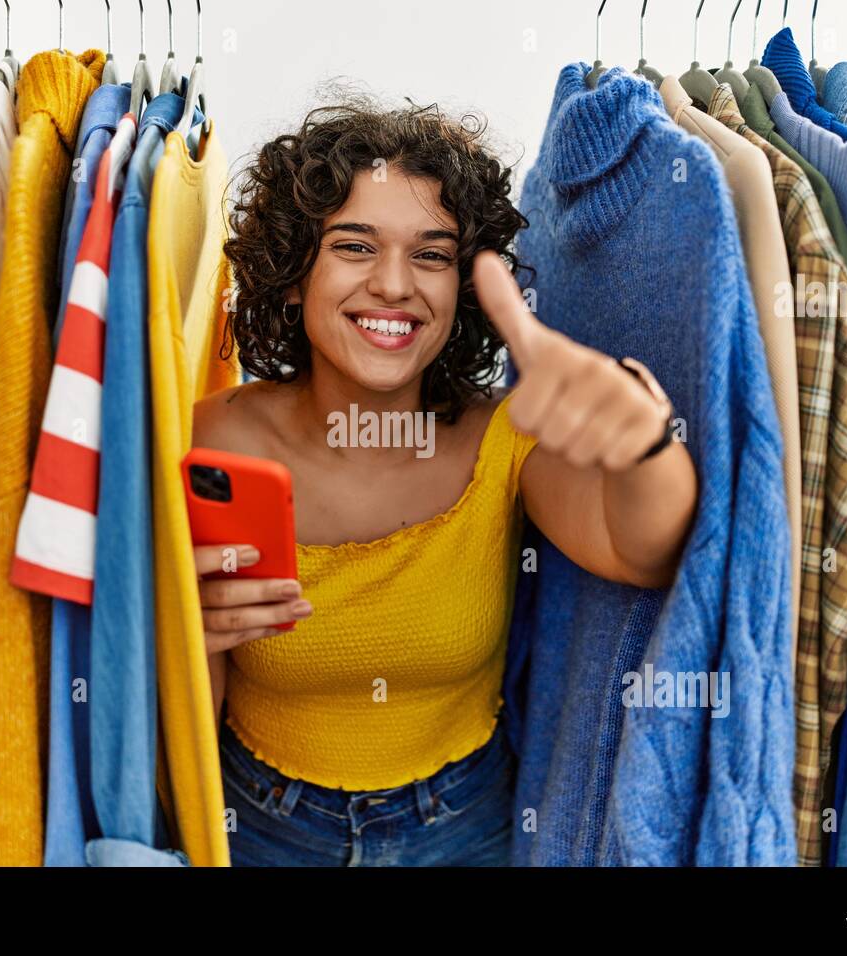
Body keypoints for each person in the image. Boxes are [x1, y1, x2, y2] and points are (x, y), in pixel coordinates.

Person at [191, 95, 699, 866]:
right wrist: (184, 636)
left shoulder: (503, 435)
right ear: (293, 274)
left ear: (461, 285)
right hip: (257, 824)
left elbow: (645, 552)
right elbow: (176, 725)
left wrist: (645, 443)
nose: (396, 285)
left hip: (462, 828)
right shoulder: (212, 440)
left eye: (431, 254)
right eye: (355, 246)